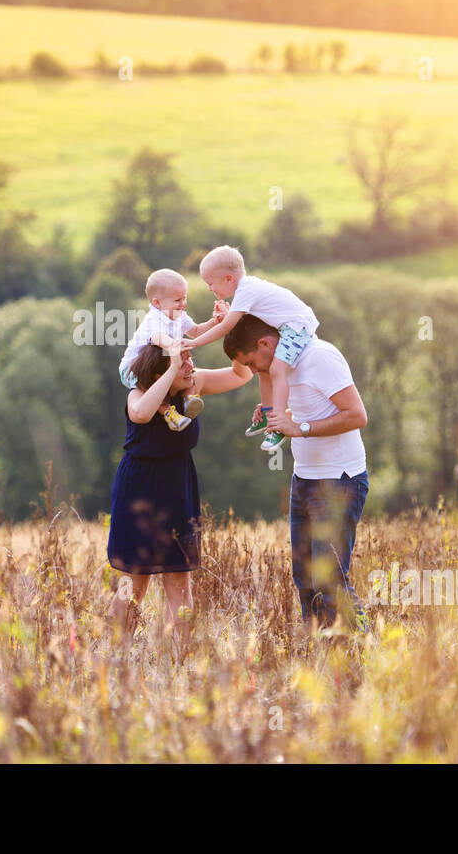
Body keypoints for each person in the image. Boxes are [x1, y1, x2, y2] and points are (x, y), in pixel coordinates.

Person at [223, 313, 370, 633]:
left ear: (266, 343)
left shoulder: (320, 357)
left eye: (251, 362)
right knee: (304, 577)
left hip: (338, 480)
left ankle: (362, 650)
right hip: (303, 478)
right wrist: (280, 416)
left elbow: (357, 415)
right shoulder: (283, 367)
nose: (253, 371)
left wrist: (298, 428)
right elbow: (314, 409)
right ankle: (321, 657)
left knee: (328, 578)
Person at [106, 342, 251, 640]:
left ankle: (180, 663)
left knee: (179, 578)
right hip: (139, 491)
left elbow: (241, 375)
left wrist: (231, 333)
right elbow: (143, 415)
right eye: (180, 363)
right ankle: (115, 657)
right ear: (160, 371)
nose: (190, 367)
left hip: (178, 487)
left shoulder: (194, 386)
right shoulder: (138, 396)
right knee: (134, 582)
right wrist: (172, 369)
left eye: (188, 360)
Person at [180, 245, 319, 453]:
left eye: (210, 283)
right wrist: (227, 314)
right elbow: (234, 322)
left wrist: (194, 342)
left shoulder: (246, 290)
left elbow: (226, 327)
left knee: (276, 370)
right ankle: (267, 412)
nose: (209, 289)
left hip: (298, 327)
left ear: (228, 279)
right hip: (289, 325)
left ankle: (278, 424)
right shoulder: (245, 290)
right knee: (264, 371)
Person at [118, 268, 227, 431]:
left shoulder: (178, 314)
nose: (183, 303)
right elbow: (158, 338)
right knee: (151, 386)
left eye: (185, 298)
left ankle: (189, 400)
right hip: (135, 370)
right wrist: (174, 345)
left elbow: (195, 331)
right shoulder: (154, 320)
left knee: (190, 369)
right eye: (177, 300)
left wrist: (214, 322)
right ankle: (168, 412)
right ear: (157, 303)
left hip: (162, 364)